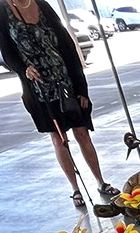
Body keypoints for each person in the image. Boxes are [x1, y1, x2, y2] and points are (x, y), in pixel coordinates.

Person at [0, 0, 119, 207]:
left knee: (82, 132)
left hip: (66, 82)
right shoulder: (2, 11)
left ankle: (101, 181)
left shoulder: (41, 5)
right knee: (58, 137)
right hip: (38, 89)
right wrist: (23, 68)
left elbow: (67, 46)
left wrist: (81, 88)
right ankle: (75, 190)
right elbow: (6, 51)